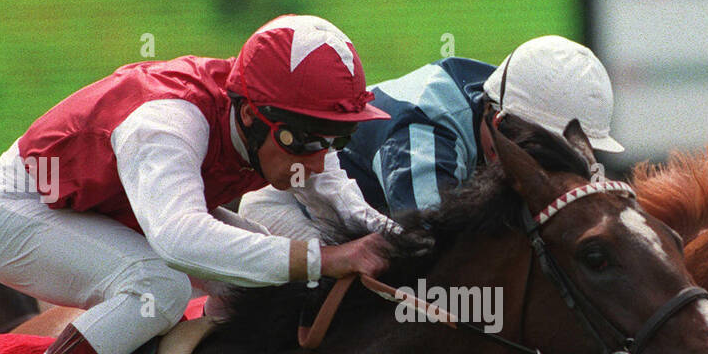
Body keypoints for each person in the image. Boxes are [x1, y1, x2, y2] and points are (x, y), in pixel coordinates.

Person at [0, 15, 396, 354]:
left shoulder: (283, 118)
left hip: (111, 207)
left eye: (336, 139)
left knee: (267, 282)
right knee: (157, 287)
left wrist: (406, 241)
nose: (318, 159)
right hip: (19, 215)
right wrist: (323, 258)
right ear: (250, 115)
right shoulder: (167, 121)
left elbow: (342, 198)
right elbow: (179, 239)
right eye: (306, 140)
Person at [238, 34, 623, 240]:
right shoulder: (422, 129)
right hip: (291, 215)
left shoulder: (509, 93)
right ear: (499, 122)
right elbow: (434, 249)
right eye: (544, 154)